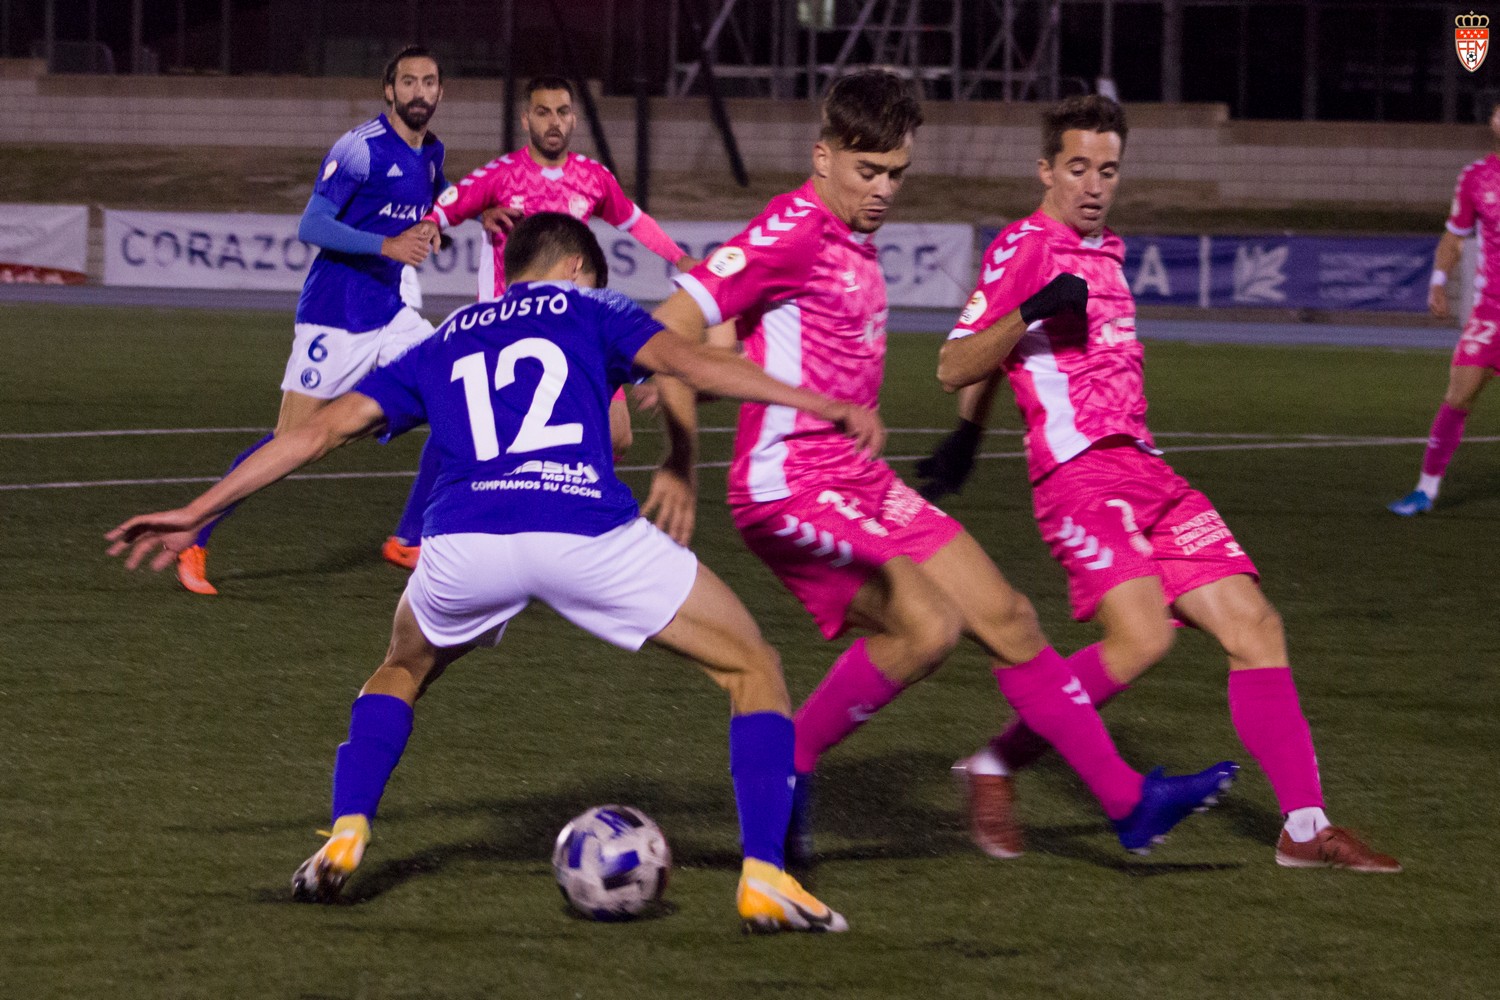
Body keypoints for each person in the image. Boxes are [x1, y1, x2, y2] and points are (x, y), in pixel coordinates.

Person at [106, 213, 886, 933]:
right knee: (753, 666)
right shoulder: (592, 310)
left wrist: (195, 511)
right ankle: (763, 877)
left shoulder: (443, 339)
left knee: (401, 670)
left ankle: (347, 831)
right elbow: (690, 366)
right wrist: (818, 401)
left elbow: (320, 431)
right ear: (579, 268)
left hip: (465, 541)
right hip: (585, 530)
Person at [646, 70, 1238, 865]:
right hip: (789, 484)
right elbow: (669, 329)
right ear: (822, 157)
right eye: (868, 171)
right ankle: (791, 762)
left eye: (897, 173)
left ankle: (1129, 805)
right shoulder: (789, 229)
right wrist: (678, 461)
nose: (884, 189)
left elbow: (744, 345)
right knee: (928, 627)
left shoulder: (853, 240)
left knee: (1011, 620)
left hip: (856, 477)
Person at [930, 94, 1400, 872]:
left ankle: (1305, 829)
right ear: (1045, 169)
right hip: (1078, 476)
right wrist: (982, 405)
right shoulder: (1023, 247)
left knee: (1256, 626)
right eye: (1077, 167)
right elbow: (955, 363)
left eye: (1107, 170)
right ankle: (996, 763)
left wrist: (966, 437)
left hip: (1148, 471)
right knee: (1142, 638)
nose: (1093, 184)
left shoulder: (1109, 250)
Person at [377, 74, 707, 568]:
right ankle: (411, 536)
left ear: (574, 118)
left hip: (577, 329)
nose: (555, 122)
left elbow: (633, 219)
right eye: (544, 112)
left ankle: (546, 504)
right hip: (510, 329)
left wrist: (678, 258)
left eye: (563, 112)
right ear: (526, 118)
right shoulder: (502, 174)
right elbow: (442, 209)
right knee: (467, 427)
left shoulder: (593, 178)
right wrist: (460, 218)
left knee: (617, 435)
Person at [176, 46, 449, 595]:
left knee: (457, 390)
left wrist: (445, 220)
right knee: (291, 442)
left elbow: (432, 201)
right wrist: (387, 244)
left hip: (391, 314)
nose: (420, 91)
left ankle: (408, 538)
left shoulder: (433, 152)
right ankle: (195, 534)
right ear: (389, 91)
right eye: (409, 82)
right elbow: (313, 225)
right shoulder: (359, 149)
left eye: (430, 81)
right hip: (333, 318)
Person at [1388, 102, 1500, 516]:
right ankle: (1425, 490)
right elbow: (1454, 238)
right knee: (1457, 397)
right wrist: (1438, 282)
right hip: (1490, 313)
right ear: (1493, 122)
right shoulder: (1476, 178)